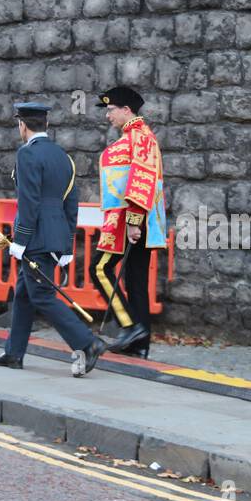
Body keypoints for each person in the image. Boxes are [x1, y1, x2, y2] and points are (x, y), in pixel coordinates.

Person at [0, 102, 107, 375]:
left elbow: (29, 201)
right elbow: (71, 202)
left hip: (35, 238)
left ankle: (87, 342)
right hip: (54, 236)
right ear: (46, 125)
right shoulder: (63, 157)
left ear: (22, 125)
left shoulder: (26, 154)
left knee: (42, 295)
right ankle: (14, 352)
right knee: (23, 293)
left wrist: (20, 241)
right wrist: (67, 243)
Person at [93, 85, 167, 357]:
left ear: (126, 110)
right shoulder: (136, 135)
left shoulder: (140, 136)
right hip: (135, 219)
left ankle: (128, 326)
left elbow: (142, 177)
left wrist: (135, 221)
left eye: (111, 110)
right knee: (136, 282)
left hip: (132, 219)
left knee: (98, 269)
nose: (107, 116)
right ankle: (139, 346)